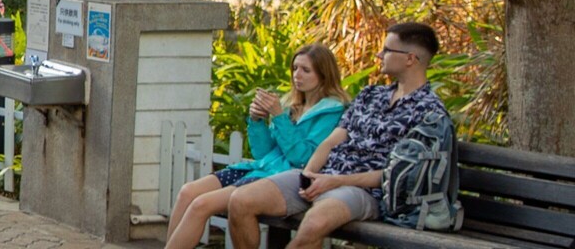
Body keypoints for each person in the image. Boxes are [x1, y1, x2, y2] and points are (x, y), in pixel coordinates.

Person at [225, 23, 448, 249]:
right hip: (321, 176)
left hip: (362, 190)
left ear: (410, 59)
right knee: (240, 201)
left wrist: (334, 181)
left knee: (313, 224)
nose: (380, 54)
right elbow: (332, 140)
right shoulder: (371, 95)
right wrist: (309, 174)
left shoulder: (429, 113)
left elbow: (396, 174)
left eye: (388, 50)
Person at [165, 44, 349, 248]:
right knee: (187, 192)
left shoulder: (332, 111)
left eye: (306, 70)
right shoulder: (291, 106)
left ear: (324, 75)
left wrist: (279, 117)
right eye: (295, 68)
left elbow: (303, 158)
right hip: (260, 169)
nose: (298, 75)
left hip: (282, 177)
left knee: (201, 205)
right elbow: (263, 152)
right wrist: (257, 121)